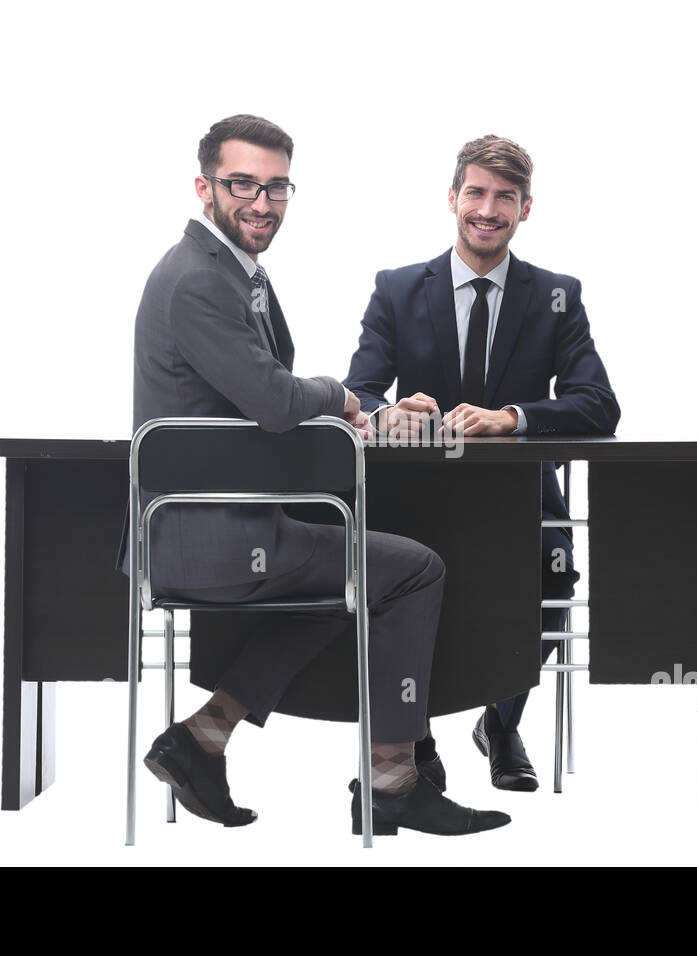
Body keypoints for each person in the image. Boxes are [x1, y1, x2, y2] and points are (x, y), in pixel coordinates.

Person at [126, 114, 509, 836]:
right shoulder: (198, 283)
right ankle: (393, 778)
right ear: (204, 186)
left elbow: (258, 392)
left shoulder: (226, 273)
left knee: (351, 578)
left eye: (276, 186)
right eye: (243, 183)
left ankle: (204, 737)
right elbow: (273, 399)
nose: (261, 202)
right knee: (411, 569)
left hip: (215, 535)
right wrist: (342, 398)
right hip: (215, 541)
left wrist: (364, 411)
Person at [343, 135, 620, 791]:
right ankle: (416, 735)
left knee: (555, 585)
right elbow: (359, 390)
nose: (488, 209)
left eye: (505, 197)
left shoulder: (556, 295)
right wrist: (385, 415)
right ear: (452, 198)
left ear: (525, 209)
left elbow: (598, 404)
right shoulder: (398, 288)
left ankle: (500, 720)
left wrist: (515, 417)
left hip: (521, 497)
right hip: (419, 497)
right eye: (477, 192)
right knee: (410, 594)